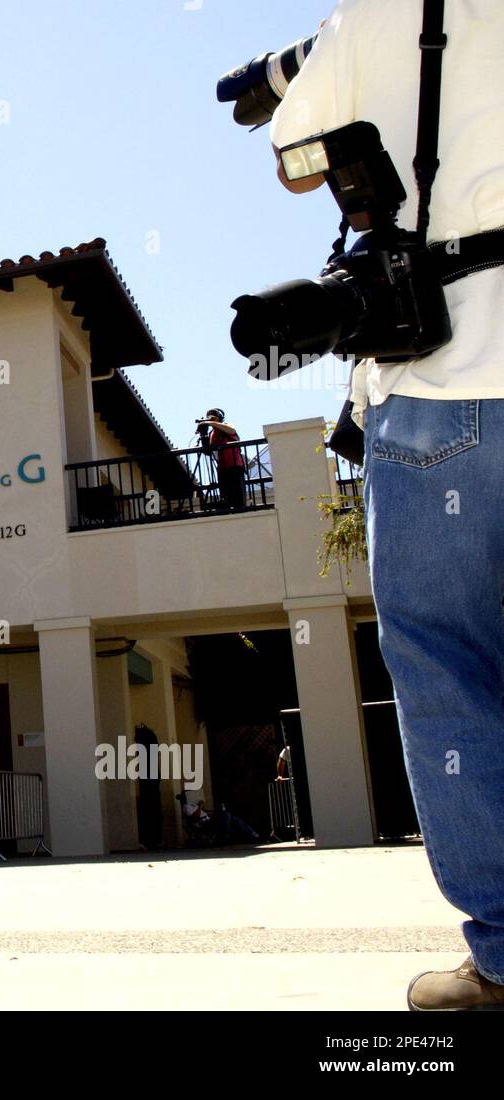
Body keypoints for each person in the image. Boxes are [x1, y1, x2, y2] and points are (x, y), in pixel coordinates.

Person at [271, 0, 504, 1010]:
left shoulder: (377, 14)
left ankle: (502, 949)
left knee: (449, 662)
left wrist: (292, 78)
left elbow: (297, 160)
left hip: (443, 380)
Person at [195, 408, 246, 511]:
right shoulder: (212, 434)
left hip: (234, 466)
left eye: (213, 417)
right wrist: (203, 435)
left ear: (220, 418)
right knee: (226, 497)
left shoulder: (227, 425)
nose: (210, 419)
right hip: (222, 468)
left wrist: (211, 422)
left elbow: (232, 430)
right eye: (208, 417)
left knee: (238, 498)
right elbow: (208, 451)